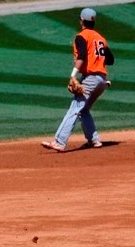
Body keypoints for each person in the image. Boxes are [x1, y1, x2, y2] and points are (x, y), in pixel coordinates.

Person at [41, 7, 115, 152]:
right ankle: (94, 140)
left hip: (91, 78)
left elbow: (81, 57)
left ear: (81, 21)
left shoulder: (82, 36)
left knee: (75, 108)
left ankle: (59, 141)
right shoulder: (100, 38)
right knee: (84, 110)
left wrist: (73, 75)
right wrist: (97, 59)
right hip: (102, 79)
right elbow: (111, 60)